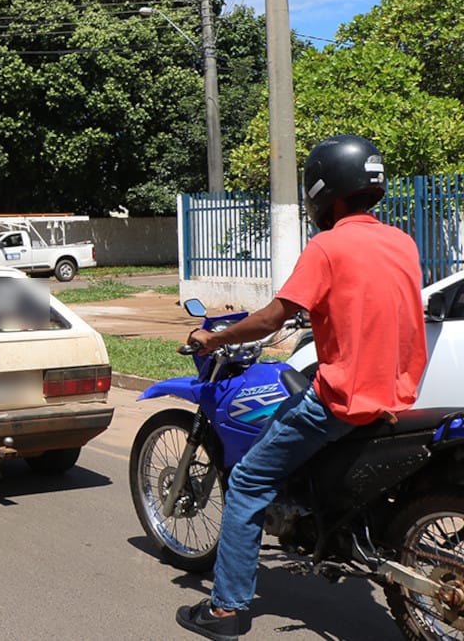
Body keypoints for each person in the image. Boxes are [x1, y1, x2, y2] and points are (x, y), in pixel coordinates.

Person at [175, 134, 428, 641]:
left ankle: (226, 610)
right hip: (398, 397)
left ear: (324, 191)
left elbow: (273, 316)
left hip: (342, 401)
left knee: (247, 480)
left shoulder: (328, 246)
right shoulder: (402, 241)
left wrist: (213, 338)